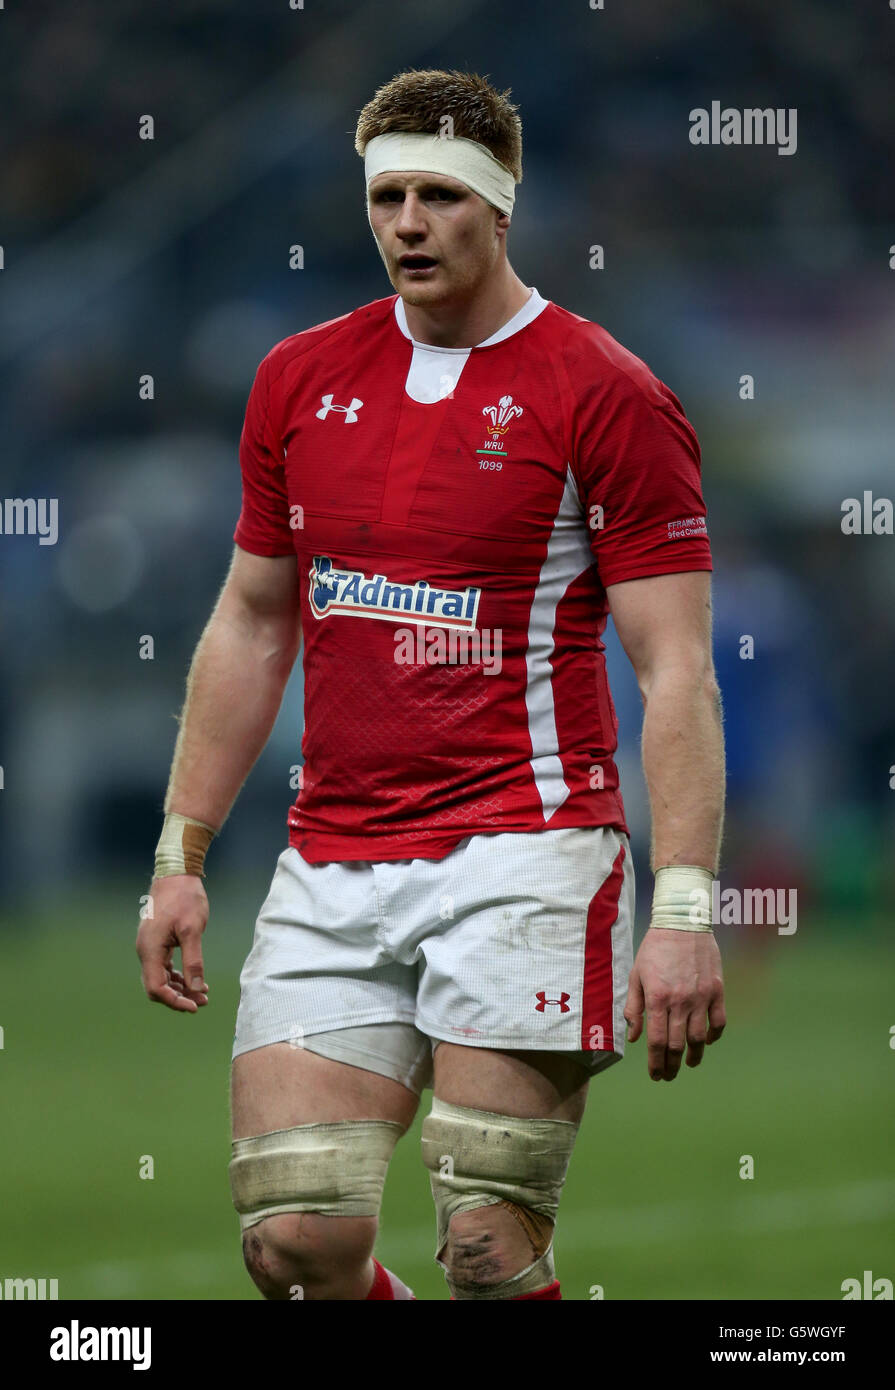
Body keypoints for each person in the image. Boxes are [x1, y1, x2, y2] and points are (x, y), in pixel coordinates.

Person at [136, 68, 726, 1302]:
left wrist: (680, 914)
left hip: (529, 850)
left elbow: (672, 666)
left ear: (501, 208)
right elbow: (251, 622)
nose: (409, 221)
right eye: (388, 195)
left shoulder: (604, 391)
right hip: (335, 861)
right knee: (297, 1247)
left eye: (441, 197)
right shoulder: (296, 378)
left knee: (484, 1247)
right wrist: (180, 856)